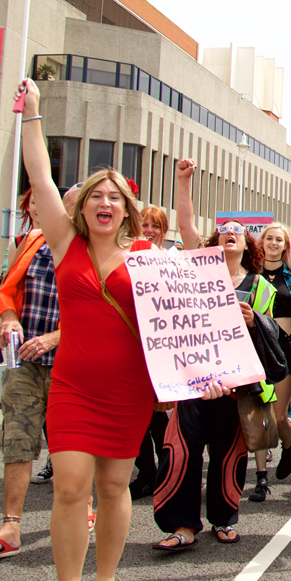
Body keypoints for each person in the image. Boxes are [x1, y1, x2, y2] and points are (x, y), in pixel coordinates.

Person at [15, 80, 168, 581]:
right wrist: (32, 115)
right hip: (74, 386)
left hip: (129, 392)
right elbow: (39, 177)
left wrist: (207, 375)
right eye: (96, 197)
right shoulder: (64, 244)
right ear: (83, 207)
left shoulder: (151, 256)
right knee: (70, 486)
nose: (105, 204)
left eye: (116, 198)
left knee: (113, 488)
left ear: (129, 211)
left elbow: (188, 322)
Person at [155, 160, 277, 553]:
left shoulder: (260, 287)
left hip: (236, 388)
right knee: (182, 454)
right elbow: (187, 226)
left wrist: (256, 321)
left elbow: (273, 335)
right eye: (222, 231)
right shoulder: (196, 271)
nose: (229, 234)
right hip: (195, 384)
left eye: (237, 232)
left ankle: (224, 520)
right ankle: (181, 525)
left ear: (247, 245)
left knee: (229, 457)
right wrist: (183, 181)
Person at [0, 187, 76, 561]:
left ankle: (83, 505)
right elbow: (8, 291)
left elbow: (105, 315)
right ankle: (10, 524)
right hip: (25, 362)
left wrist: (55, 338)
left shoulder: (97, 251)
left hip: (73, 364)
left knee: (71, 446)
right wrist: (7, 322)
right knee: (18, 438)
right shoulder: (32, 241)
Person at [246, 223, 291, 496]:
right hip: (256, 346)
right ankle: (261, 478)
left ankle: (288, 446)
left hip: (286, 349)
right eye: (269, 238)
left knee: (279, 416)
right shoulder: (250, 275)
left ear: (286, 245)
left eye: (279, 239)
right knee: (260, 414)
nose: (273, 243)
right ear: (261, 243)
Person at [130, 207, 171, 499]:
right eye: (144, 224)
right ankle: (146, 472)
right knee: (134, 415)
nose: (149, 230)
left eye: (155, 226)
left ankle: (166, 473)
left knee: (159, 415)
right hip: (131, 345)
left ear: (163, 231)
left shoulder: (170, 259)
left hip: (160, 347)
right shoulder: (125, 257)